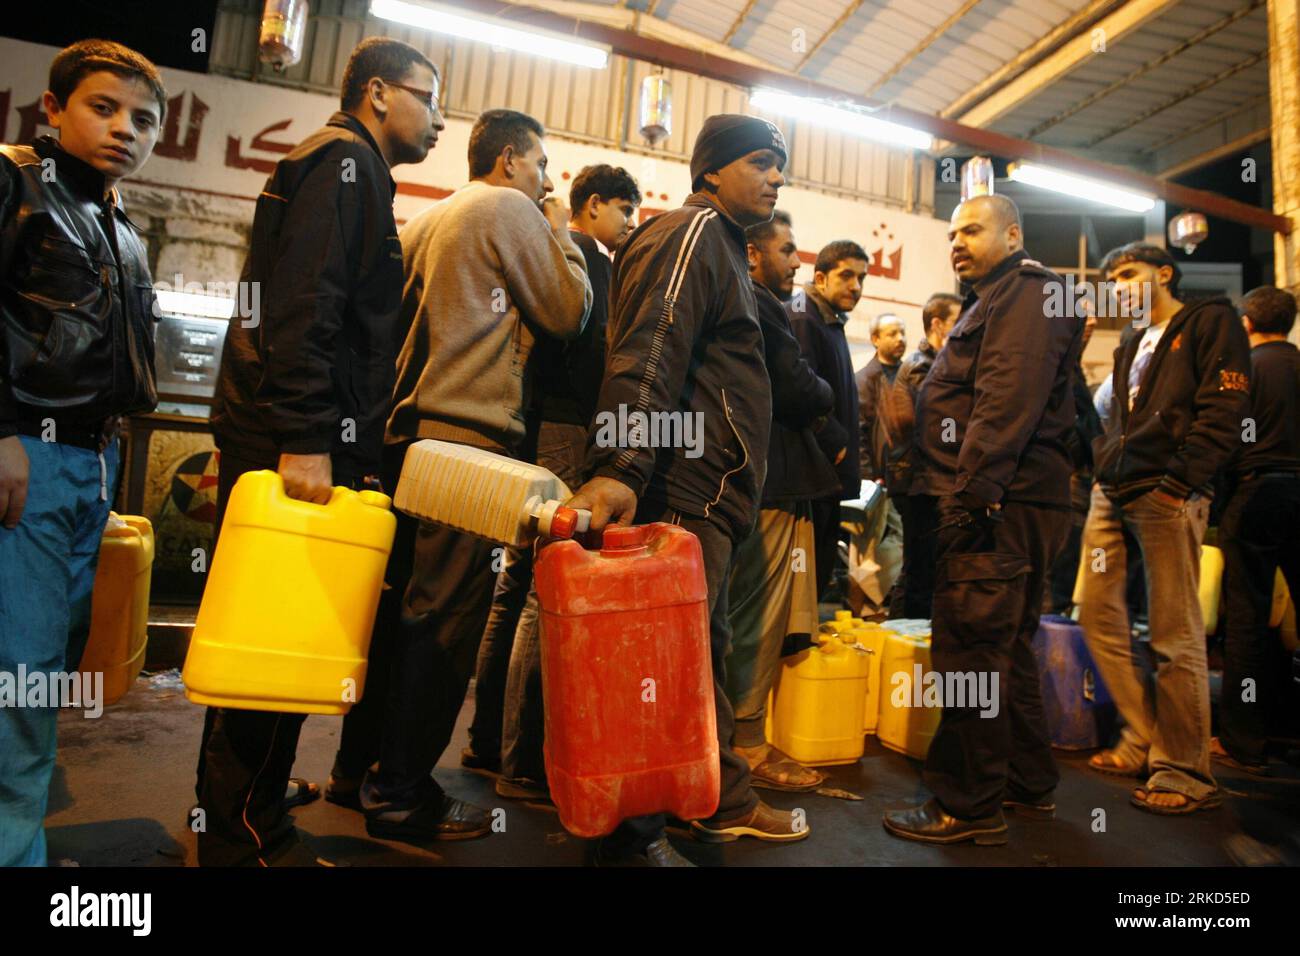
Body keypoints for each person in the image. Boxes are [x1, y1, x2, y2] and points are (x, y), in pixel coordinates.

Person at [200, 36, 444, 866]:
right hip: (293, 443)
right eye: (430, 98)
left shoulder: (345, 166)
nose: (441, 120)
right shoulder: (346, 164)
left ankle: (250, 800)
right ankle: (242, 832)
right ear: (379, 92)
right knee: (273, 639)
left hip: (297, 434)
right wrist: (307, 437)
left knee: (279, 639)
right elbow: (307, 307)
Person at [567, 113, 807, 866]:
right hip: (686, 488)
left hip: (713, 492)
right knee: (658, 665)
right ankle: (634, 838)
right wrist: (622, 464)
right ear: (712, 170)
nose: (776, 177)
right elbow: (654, 345)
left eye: (781, 166)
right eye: (763, 162)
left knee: (696, 654)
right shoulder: (694, 233)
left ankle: (708, 801)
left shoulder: (724, 247)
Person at [357, 108, 591, 844]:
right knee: (445, 625)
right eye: (543, 164)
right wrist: (565, 237)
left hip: (407, 438)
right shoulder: (509, 208)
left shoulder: (425, 219)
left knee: (398, 618)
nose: (548, 179)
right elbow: (567, 311)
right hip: (470, 442)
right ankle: (400, 794)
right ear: (512, 159)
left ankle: (354, 770)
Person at [0, 39, 164, 868]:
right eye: (103, 108)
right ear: (54, 108)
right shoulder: (15, 181)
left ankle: (16, 836)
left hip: (89, 464)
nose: (124, 129)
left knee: (44, 670)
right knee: (19, 669)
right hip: (25, 452)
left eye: (144, 119)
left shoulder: (120, 225)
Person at [883, 195, 1082, 845]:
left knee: (971, 649)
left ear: (1013, 233)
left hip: (997, 502)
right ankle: (1027, 783)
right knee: (1006, 648)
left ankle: (968, 806)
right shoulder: (996, 297)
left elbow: (1007, 396)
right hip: (1013, 498)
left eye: (972, 229)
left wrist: (974, 495)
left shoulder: (1025, 291)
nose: (957, 242)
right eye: (951, 233)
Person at [464, 164, 641, 798]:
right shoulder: (584, 259)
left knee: (516, 585)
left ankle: (488, 742)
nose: (631, 223)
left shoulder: (572, 254)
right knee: (549, 587)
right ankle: (524, 764)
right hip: (567, 434)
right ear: (592, 206)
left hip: (539, 431)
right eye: (625, 210)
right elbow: (588, 345)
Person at [1079, 242, 1250, 815]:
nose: (1121, 283)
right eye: (1114, 277)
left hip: (1167, 493)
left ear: (1164, 273)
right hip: (1116, 488)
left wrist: (1182, 480)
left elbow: (1224, 412)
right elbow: (1116, 417)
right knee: (1097, 613)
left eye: (1129, 272)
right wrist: (1105, 462)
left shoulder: (1209, 321)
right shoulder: (1129, 342)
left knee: (1175, 635)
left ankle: (1183, 771)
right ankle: (1143, 734)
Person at [726, 209, 844, 792]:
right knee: (758, 619)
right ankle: (746, 744)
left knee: (745, 615)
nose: (798, 261)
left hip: (751, 483)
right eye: (789, 250)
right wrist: (823, 394)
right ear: (753, 254)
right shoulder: (761, 302)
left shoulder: (735, 293)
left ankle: (735, 738)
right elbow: (799, 387)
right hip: (771, 486)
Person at [1213, 286, 1299, 774]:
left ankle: (1243, 743)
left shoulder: (1246, 372)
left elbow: (1229, 439)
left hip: (1258, 493)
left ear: (1246, 324)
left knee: (1247, 616)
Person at [789, 241, 870, 601]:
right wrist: (834, 440)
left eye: (862, 278)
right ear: (820, 278)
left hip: (828, 476)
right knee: (803, 588)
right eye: (846, 276)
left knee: (817, 581)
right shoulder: (803, 316)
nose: (856, 286)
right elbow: (798, 387)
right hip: (811, 476)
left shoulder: (828, 320)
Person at [880, 292, 962, 618]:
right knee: (920, 572)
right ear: (938, 325)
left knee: (919, 568)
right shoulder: (922, 367)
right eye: (959, 322)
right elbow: (932, 428)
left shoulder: (934, 364)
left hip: (924, 482)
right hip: (919, 484)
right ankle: (908, 643)